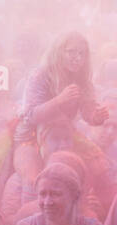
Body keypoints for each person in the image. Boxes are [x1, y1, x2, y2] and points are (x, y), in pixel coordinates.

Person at [12, 31, 109, 184]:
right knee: (33, 178)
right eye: (71, 52)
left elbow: (87, 111)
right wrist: (59, 100)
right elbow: (31, 115)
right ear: (58, 51)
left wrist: (96, 117)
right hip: (30, 137)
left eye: (82, 54)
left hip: (63, 135)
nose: (77, 58)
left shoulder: (82, 80)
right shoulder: (41, 75)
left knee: (98, 164)